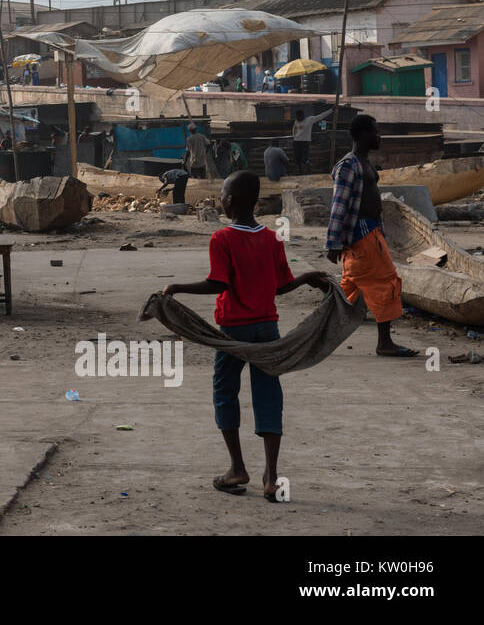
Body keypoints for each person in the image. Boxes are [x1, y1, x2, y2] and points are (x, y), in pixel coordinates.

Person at [162, 171, 330, 501]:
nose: (220, 200)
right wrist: (307, 277)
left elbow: (219, 284)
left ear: (234, 201)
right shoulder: (271, 239)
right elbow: (281, 287)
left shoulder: (222, 239)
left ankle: (237, 467)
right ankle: (271, 475)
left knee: (225, 392)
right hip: (267, 328)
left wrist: (178, 288)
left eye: (223, 195)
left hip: (233, 331)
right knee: (268, 395)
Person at [325, 114, 415, 357]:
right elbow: (339, 205)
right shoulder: (349, 165)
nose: (379, 137)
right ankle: (384, 343)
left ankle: (318, 333)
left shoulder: (364, 163)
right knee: (385, 282)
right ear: (363, 135)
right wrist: (333, 242)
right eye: (375, 132)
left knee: (349, 289)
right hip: (361, 235)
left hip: (370, 232)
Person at [291, 108, 332, 175]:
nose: (297, 118)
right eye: (296, 117)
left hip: (305, 142)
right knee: (297, 160)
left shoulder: (310, 119)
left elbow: (321, 116)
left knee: (305, 160)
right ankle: (300, 172)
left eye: (298, 117)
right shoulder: (296, 121)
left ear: (302, 115)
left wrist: (331, 110)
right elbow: (294, 129)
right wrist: (294, 137)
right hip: (296, 142)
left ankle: (308, 171)